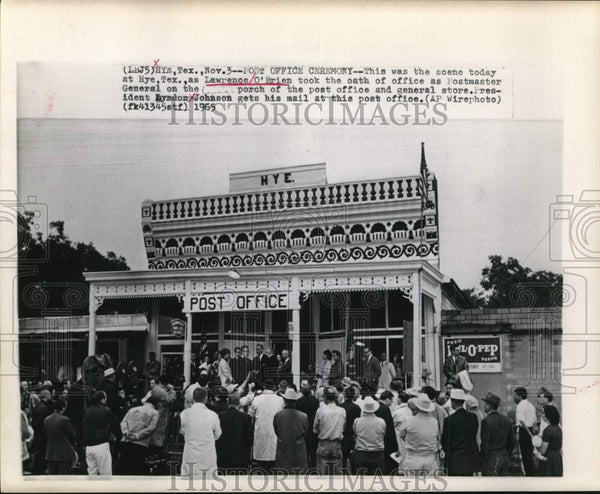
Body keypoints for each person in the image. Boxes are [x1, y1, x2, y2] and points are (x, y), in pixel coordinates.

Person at [180, 387, 222, 479]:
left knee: (188, 484)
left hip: (190, 454)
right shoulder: (213, 415)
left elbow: (183, 431)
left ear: (193, 398)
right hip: (207, 456)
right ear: (206, 398)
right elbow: (218, 435)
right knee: (207, 483)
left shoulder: (184, 414)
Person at [398, 393, 441, 475]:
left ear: (417, 407)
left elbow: (401, 435)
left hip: (413, 457)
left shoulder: (409, 420)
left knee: (412, 485)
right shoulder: (434, 422)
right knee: (430, 485)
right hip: (430, 459)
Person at [441, 389, 480, 476]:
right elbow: (474, 435)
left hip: (455, 460)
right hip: (470, 459)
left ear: (453, 402)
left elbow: (445, 441)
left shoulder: (449, 420)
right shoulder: (473, 417)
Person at [248, 378, 284, 471]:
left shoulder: (257, 399)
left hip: (260, 432)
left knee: (261, 466)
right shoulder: (280, 400)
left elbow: (250, 414)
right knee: (274, 461)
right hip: (275, 433)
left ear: (264, 386)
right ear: (274, 387)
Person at [119, 394, 159, 474]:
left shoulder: (132, 409)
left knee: (123, 468)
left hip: (126, 441)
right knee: (137, 470)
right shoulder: (154, 413)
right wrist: (137, 436)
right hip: (141, 444)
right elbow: (150, 428)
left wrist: (126, 432)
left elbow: (123, 422)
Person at [480, 392, 516, 476]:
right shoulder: (506, 419)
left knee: (491, 486)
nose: (483, 406)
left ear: (489, 405)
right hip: (504, 456)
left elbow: (485, 443)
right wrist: (507, 453)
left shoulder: (486, 421)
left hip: (491, 458)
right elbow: (513, 442)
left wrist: (482, 458)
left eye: (485, 404)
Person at [83, 390, 119, 475]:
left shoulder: (88, 411)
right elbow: (115, 425)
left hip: (89, 447)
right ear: (102, 399)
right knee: (106, 475)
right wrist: (118, 437)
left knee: (92, 475)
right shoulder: (106, 410)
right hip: (101, 445)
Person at [273, 388, 309, 473]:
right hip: (298, 451)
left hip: (283, 450)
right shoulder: (303, 416)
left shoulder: (278, 416)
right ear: (296, 401)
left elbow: (276, 431)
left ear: (285, 400)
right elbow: (306, 433)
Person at [216, 393, 253, 473]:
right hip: (240, 458)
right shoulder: (246, 417)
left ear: (228, 402)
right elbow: (249, 439)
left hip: (223, 457)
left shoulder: (219, 416)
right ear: (239, 402)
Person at [313, 386, 346, 475]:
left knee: (322, 472)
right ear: (335, 397)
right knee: (337, 473)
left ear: (324, 397)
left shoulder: (320, 410)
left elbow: (315, 429)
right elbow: (343, 427)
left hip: (324, 443)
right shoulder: (342, 411)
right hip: (337, 443)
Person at [352, 396, 386, 475]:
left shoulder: (357, 421)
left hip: (361, 453)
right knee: (377, 481)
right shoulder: (381, 421)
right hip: (377, 453)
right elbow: (383, 434)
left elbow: (354, 434)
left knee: (361, 482)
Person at [43, 398, 77, 475]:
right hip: (64, 454)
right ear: (63, 407)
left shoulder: (46, 419)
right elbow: (73, 434)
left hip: (51, 454)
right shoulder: (65, 419)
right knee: (64, 478)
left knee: (54, 479)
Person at [513, 387, 536, 476]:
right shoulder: (531, 405)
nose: (514, 397)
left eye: (515, 395)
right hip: (530, 430)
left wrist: (529, 434)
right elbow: (534, 421)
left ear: (520, 396)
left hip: (524, 431)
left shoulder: (520, 406)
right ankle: (530, 474)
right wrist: (532, 433)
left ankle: (528, 475)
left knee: (525, 456)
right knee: (529, 456)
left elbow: (522, 421)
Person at [31, 387, 54, 474]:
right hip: (42, 434)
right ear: (46, 396)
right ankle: (39, 471)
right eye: (49, 394)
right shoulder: (44, 408)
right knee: (42, 453)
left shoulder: (38, 406)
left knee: (38, 454)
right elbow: (43, 423)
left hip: (37, 433)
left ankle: (37, 470)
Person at [375, 391, 399, 474]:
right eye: (391, 400)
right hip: (385, 441)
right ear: (388, 398)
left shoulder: (375, 406)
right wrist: (394, 446)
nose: (392, 403)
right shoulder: (385, 409)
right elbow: (389, 428)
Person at [296, 384, 320, 468]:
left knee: (304, 450)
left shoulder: (299, 401)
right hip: (312, 427)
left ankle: (305, 467)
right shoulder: (316, 402)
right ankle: (313, 467)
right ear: (310, 392)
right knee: (313, 451)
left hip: (302, 427)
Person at [339, 385, 361, 471]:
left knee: (343, 458)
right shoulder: (357, 408)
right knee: (353, 458)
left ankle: (344, 473)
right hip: (352, 434)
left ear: (344, 395)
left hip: (343, 433)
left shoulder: (340, 407)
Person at [536, 404, 562, 476]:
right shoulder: (558, 428)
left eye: (543, 412)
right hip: (557, 457)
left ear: (548, 415)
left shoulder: (548, 430)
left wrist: (536, 444)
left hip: (548, 459)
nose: (542, 415)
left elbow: (543, 451)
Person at [391, 391, 412, 462]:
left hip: (399, 438)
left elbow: (391, 424)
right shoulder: (411, 410)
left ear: (399, 399)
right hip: (410, 438)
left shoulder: (397, 412)